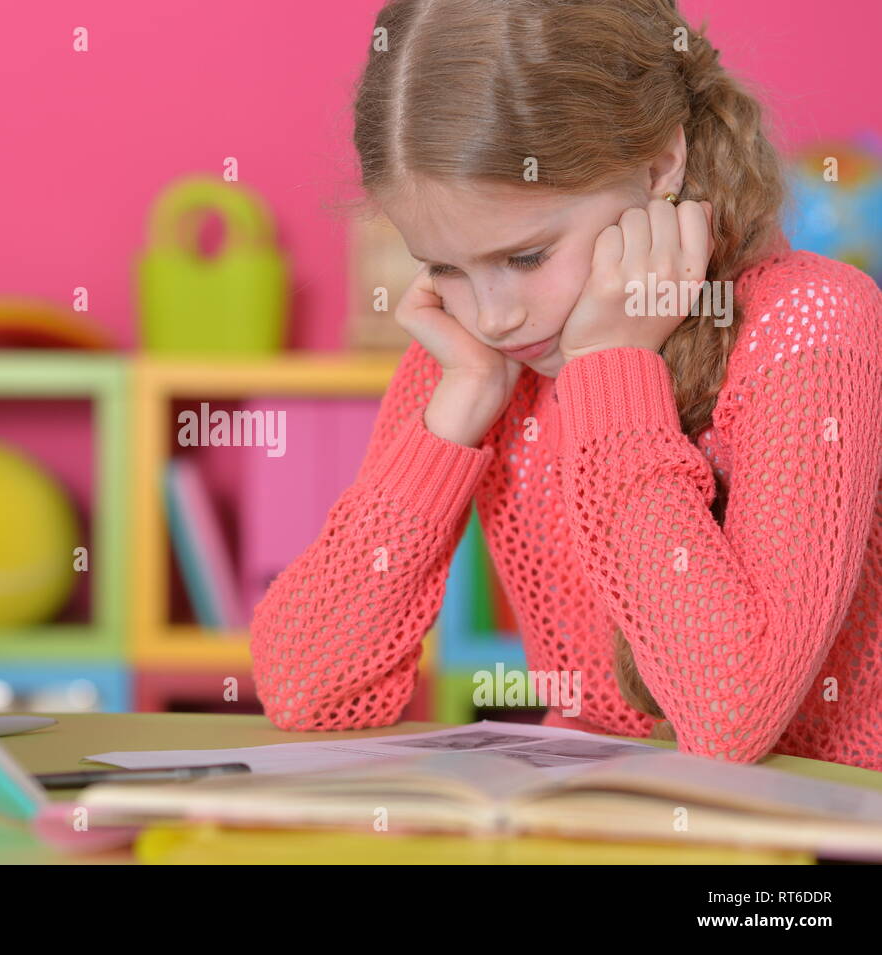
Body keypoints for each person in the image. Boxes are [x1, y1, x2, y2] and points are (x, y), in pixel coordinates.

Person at [249, 0, 882, 771]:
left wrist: (610, 371)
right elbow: (303, 684)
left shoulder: (811, 324)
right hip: (601, 827)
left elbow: (731, 716)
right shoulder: (477, 354)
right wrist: (453, 415)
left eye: (525, 257)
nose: (496, 315)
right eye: (445, 266)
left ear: (657, 167)